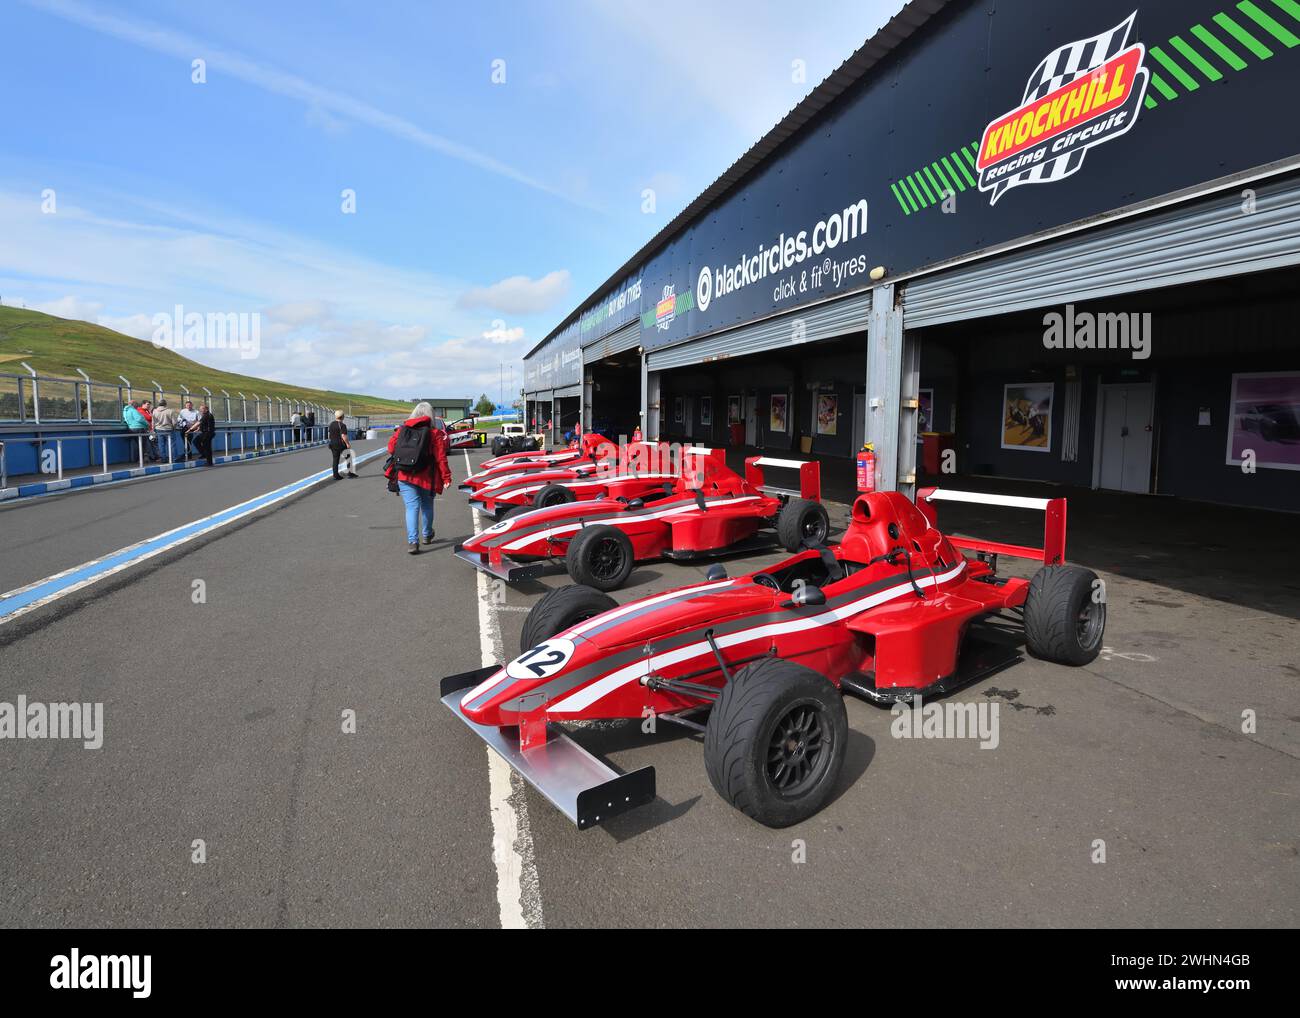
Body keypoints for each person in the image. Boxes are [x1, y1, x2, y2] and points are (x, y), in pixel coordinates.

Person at [385, 401, 451, 554]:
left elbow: (390, 448)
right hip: (427, 477)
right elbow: (441, 458)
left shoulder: (402, 430)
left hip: (404, 475)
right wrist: (446, 477)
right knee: (427, 506)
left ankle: (413, 542)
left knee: (411, 507)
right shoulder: (435, 433)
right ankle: (427, 535)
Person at [328, 410, 357, 479]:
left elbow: (329, 434)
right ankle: (349, 474)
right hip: (341, 444)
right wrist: (347, 444)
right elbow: (343, 435)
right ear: (343, 417)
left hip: (332, 444)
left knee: (335, 460)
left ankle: (335, 475)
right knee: (348, 458)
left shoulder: (331, 424)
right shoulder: (342, 425)